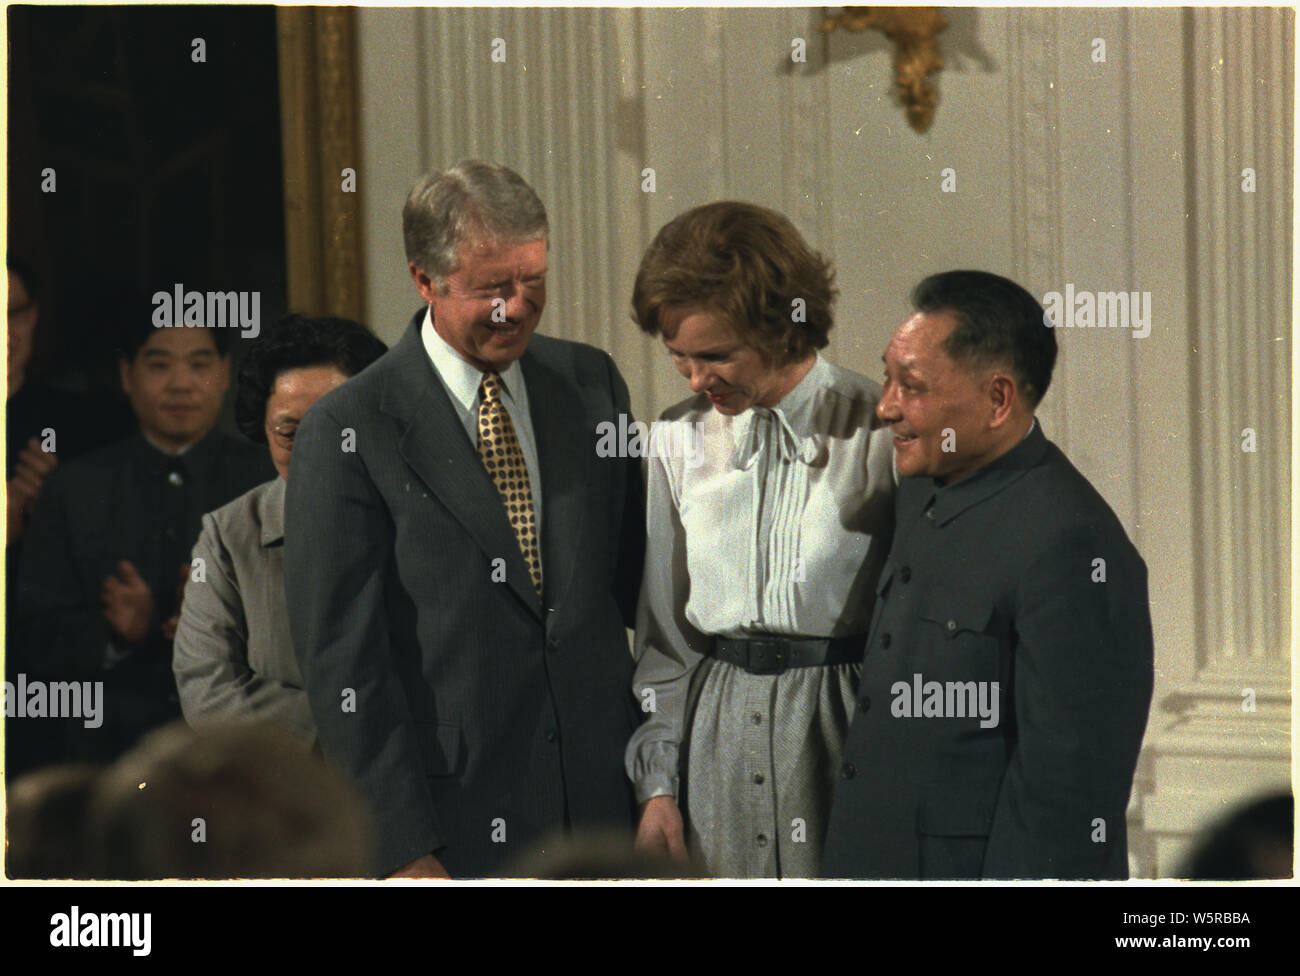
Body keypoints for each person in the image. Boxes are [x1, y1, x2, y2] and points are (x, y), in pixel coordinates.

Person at [283, 160, 646, 878]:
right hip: (457, 824)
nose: (517, 306)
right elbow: (344, 663)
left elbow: (637, 582)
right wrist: (400, 849)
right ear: (424, 280)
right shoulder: (348, 429)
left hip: (606, 809)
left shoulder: (590, 381)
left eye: (532, 279)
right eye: (491, 289)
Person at [822, 270, 1154, 879]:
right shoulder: (920, 487)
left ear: (998, 399)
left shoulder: (1074, 542)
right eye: (888, 377)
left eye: (912, 387)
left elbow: (1067, 799)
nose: (885, 405)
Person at [626, 201, 896, 878]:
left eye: (716, 356)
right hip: (715, 735)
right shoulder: (675, 439)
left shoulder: (881, 429)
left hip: (841, 728)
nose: (695, 380)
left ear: (782, 326)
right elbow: (666, 641)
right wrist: (658, 784)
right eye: (679, 358)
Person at [16, 310, 275, 766]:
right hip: (109, 759)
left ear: (224, 372)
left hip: (243, 753)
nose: (179, 383)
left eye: (198, 364)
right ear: (127, 375)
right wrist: (117, 635)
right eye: (159, 365)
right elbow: (32, 636)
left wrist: (217, 624)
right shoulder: (73, 487)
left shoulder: (269, 479)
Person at [172, 315, 388, 747]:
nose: (316, 455)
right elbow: (209, 692)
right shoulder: (227, 538)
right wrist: (356, 734)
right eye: (291, 435)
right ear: (264, 430)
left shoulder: (422, 515)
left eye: (338, 432)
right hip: (287, 791)